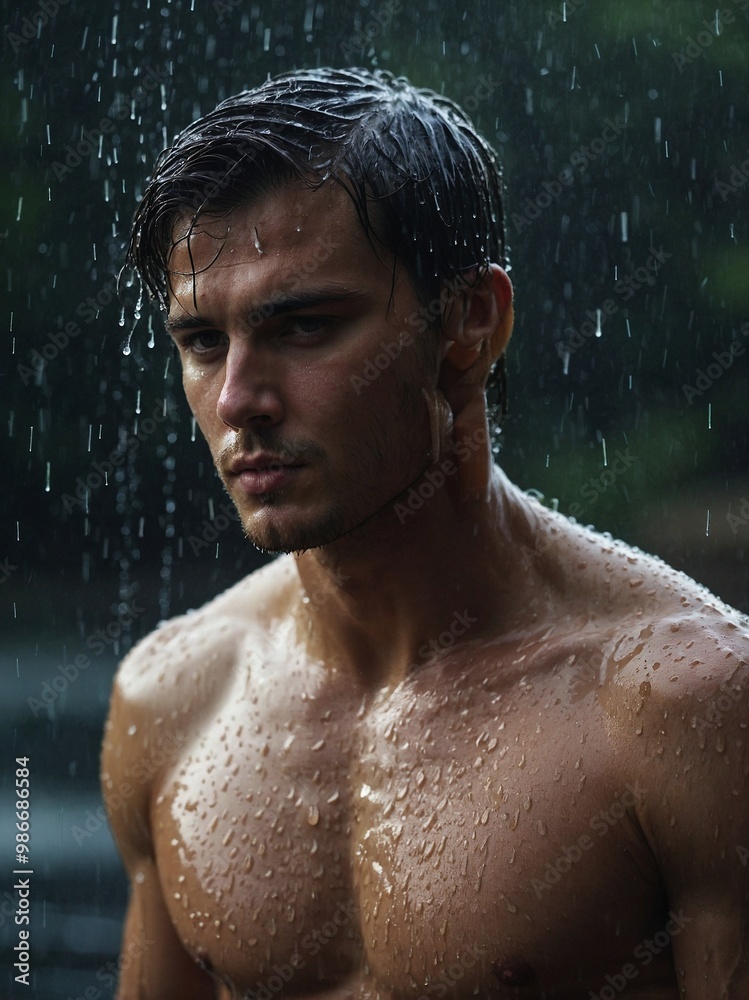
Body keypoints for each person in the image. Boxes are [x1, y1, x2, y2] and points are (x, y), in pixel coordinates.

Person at [102, 66, 749, 999]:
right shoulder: (170, 702)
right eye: (203, 342)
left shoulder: (687, 709)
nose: (239, 400)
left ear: (469, 326)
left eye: (305, 326)